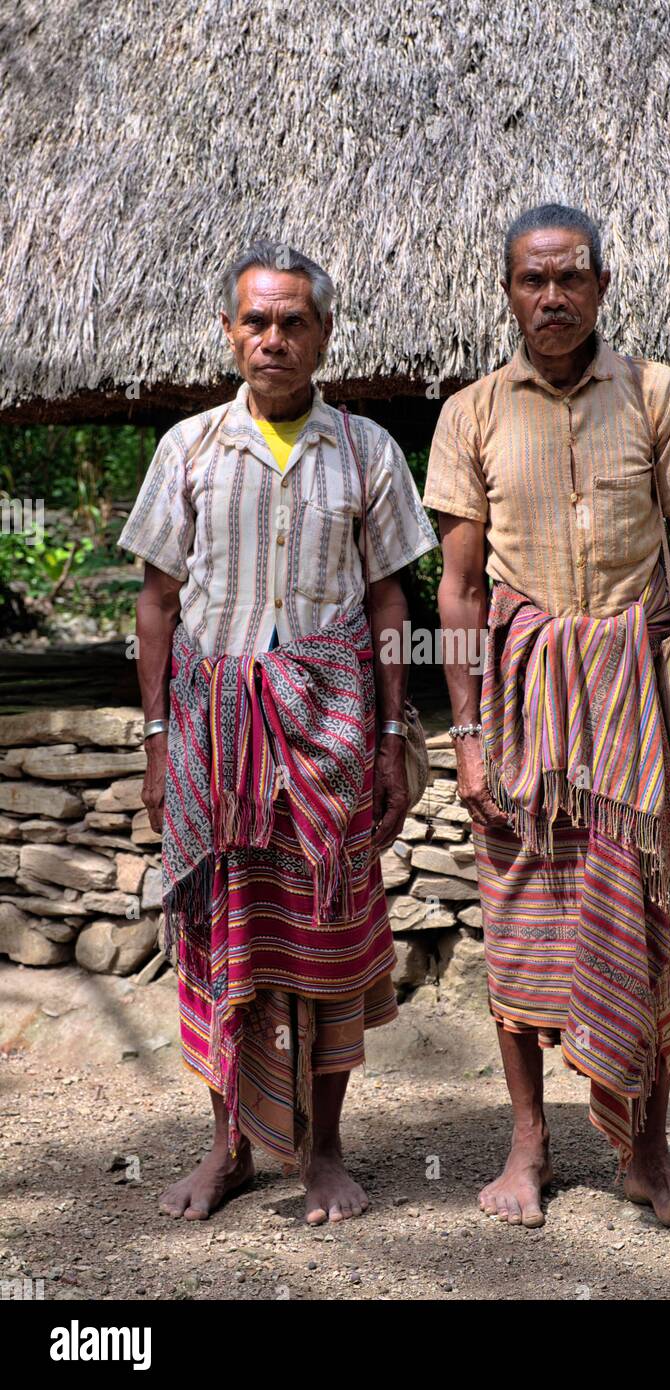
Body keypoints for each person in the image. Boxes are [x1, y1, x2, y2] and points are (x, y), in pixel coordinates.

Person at [424, 203, 670, 1230]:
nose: (552, 297)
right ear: (508, 290)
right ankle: (527, 1147)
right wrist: (469, 733)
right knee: (520, 914)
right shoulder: (470, 412)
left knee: (645, 912)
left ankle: (646, 1154)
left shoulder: (657, 394)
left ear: (602, 285)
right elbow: (459, 588)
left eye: (570, 277)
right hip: (523, 695)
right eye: (532, 280)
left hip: (631, 692)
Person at [118, 239, 437, 1223]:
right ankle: (227, 1151)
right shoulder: (190, 449)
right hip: (215, 738)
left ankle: (324, 1153)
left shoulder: (368, 450)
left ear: (324, 334)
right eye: (256, 321)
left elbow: (389, 602)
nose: (274, 339)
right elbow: (157, 606)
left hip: (332, 733)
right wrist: (158, 740)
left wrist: (389, 733)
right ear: (229, 332)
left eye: (294, 321)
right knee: (222, 940)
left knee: (328, 938)